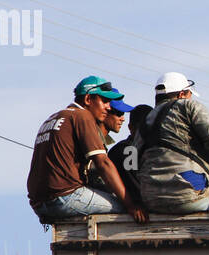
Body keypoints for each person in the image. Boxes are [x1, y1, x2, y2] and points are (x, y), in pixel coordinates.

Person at [27, 76, 147, 223]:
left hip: (39, 204)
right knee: (127, 208)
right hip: (64, 197)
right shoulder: (82, 115)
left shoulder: (53, 118)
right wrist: (131, 205)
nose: (108, 107)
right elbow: (103, 164)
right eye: (104, 101)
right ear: (88, 99)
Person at [137, 72, 209, 213]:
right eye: (189, 94)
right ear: (182, 94)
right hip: (191, 195)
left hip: (151, 201)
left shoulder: (145, 120)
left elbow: (132, 160)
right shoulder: (188, 106)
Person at [103, 101, 149, 204]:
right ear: (131, 128)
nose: (122, 118)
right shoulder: (128, 150)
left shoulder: (145, 149)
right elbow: (134, 186)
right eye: (144, 128)